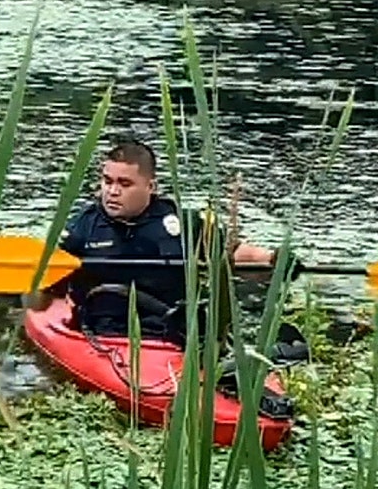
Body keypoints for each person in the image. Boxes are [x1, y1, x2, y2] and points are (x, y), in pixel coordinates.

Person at [23, 138, 302, 352]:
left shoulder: (181, 223)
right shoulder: (81, 227)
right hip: (104, 337)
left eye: (124, 183)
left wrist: (275, 260)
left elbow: (235, 254)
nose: (112, 191)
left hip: (171, 336)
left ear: (150, 186)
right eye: (107, 181)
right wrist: (32, 288)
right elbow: (43, 300)